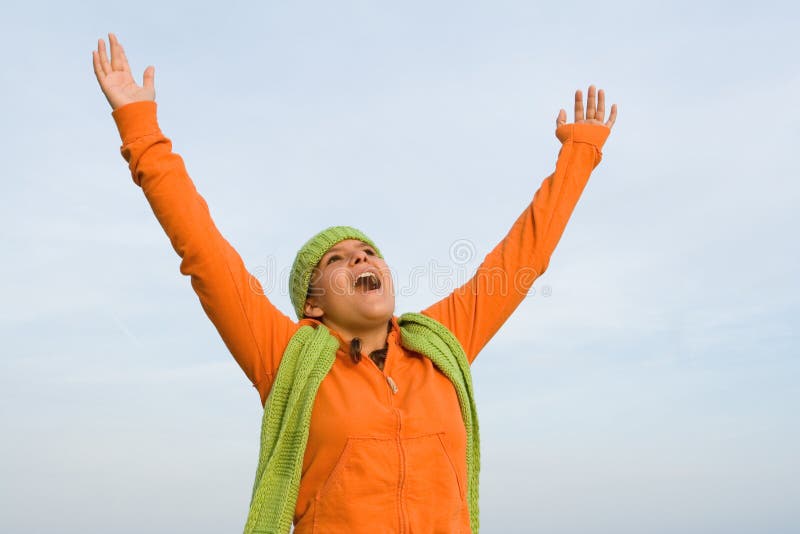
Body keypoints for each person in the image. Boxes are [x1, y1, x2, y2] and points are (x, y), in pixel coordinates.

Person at [92, 32, 617, 534]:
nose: (361, 259)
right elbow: (203, 251)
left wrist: (580, 151)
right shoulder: (285, 358)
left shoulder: (441, 344)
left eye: (369, 253)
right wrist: (140, 128)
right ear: (313, 304)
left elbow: (524, 254)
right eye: (336, 260)